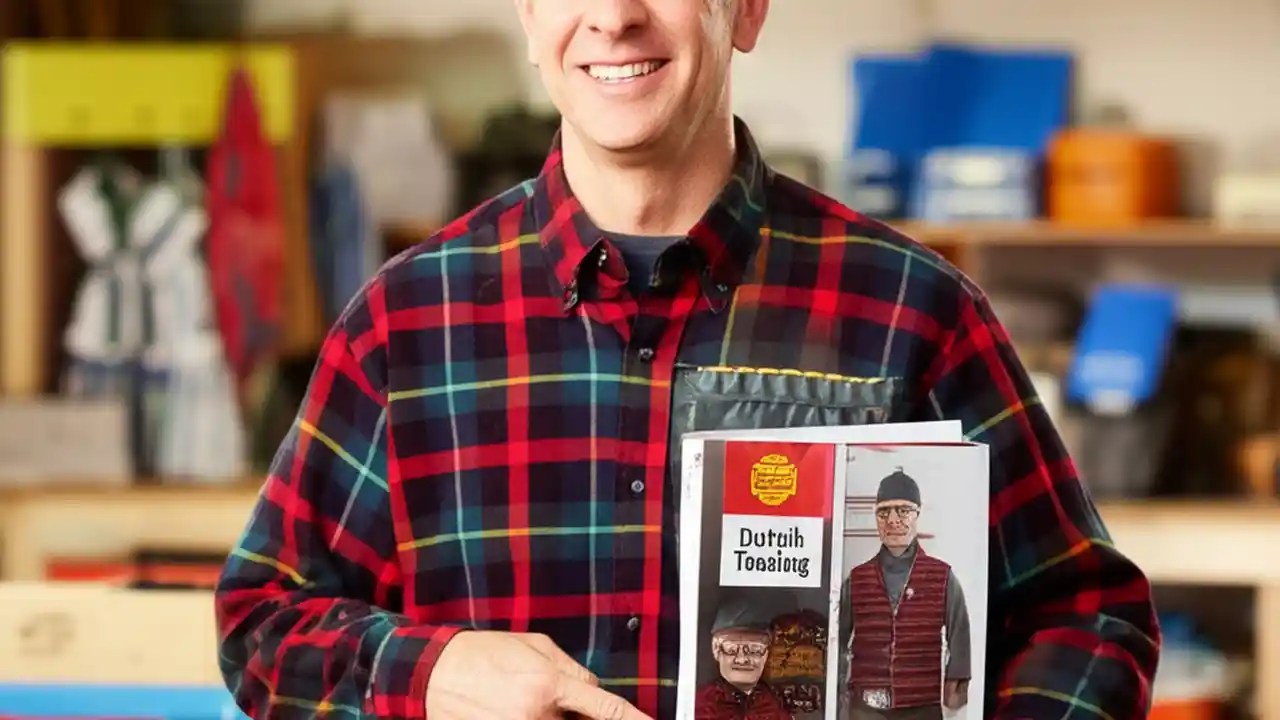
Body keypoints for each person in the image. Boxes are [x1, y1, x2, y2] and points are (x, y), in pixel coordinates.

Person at [213, 1, 1161, 719]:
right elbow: (263, 623)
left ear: (746, 8)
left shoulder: (913, 309)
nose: (615, 17)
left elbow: (1087, 617)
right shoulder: (405, 322)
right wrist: (432, 674)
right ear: (529, 16)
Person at [838, 469, 970, 720]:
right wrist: (837, 685)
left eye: (903, 510)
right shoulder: (856, 579)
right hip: (866, 708)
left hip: (922, 705)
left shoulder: (942, 576)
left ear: (918, 513)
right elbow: (838, 639)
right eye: (883, 512)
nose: (893, 520)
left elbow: (959, 633)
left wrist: (956, 686)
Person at [694, 596, 793, 719]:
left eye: (754, 649)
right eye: (732, 649)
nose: (742, 659)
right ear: (716, 650)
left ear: (766, 653)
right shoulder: (701, 706)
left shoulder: (776, 703)